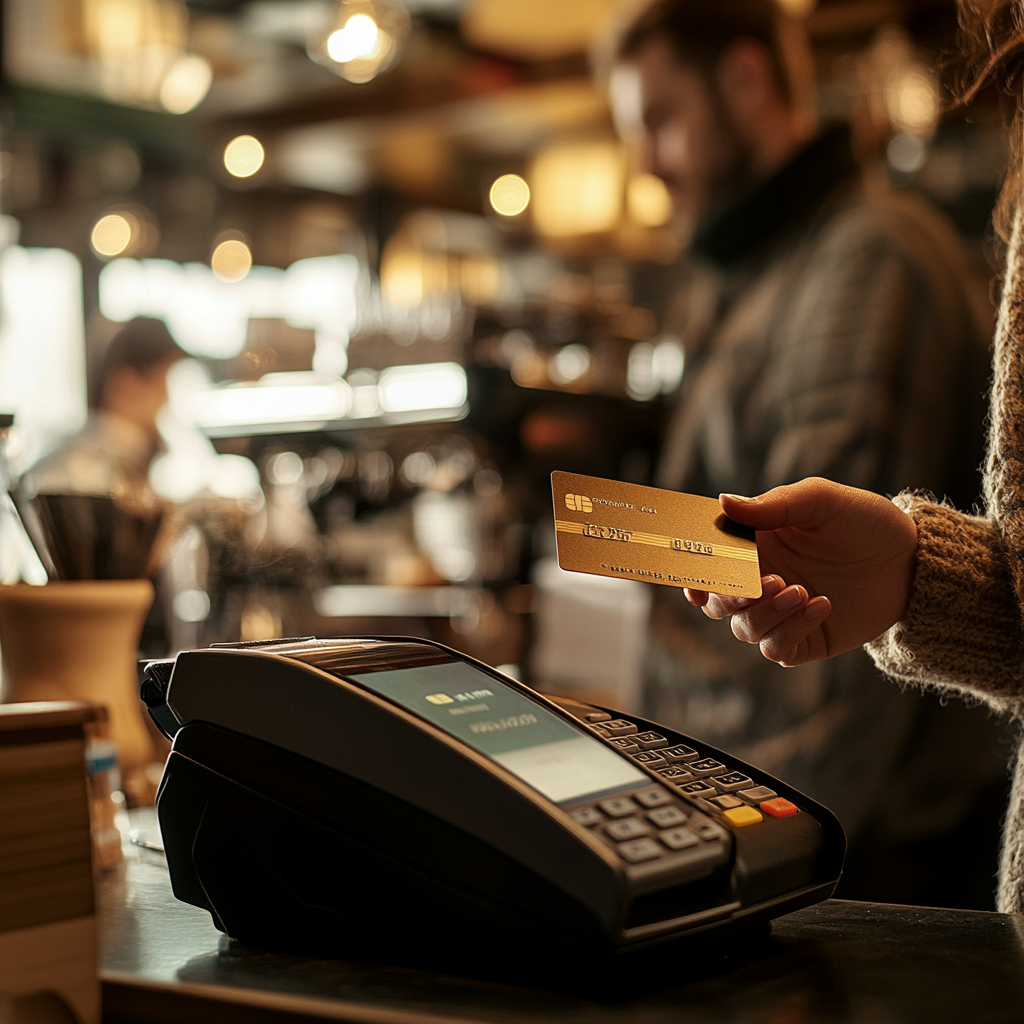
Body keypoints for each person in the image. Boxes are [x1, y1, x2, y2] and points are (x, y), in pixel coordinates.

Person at [613, 0, 1005, 905]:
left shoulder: (862, 262)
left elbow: (825, 651)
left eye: (659, 120)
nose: (644, 163)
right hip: (780, 828)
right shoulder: (767, 272)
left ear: (745, 83)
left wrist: (740, 880)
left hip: (863, 868)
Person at [24, 316, 185, 504]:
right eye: (163, 380)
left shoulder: (126, 462)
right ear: (128, 383)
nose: (167, 398)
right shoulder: (81, 472)